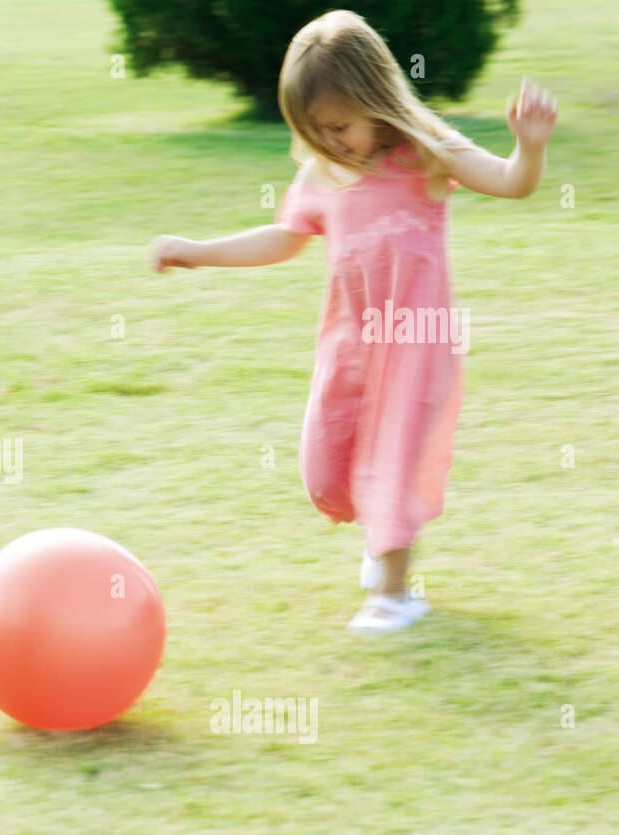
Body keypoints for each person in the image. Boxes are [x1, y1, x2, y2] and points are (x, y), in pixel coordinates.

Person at [150, 9, 558, 633]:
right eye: (315, 131)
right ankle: (379, 539)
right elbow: (282, 239)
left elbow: (511, 183)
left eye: (339, 126)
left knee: (394, 457)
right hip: (351, 342)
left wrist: (528, 148)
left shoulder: (426, 151)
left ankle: (394, 596)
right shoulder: (323, 171)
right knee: (326, 467)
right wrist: (197, 251)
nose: (331, 141)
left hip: (416, 342)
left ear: (375, 99)